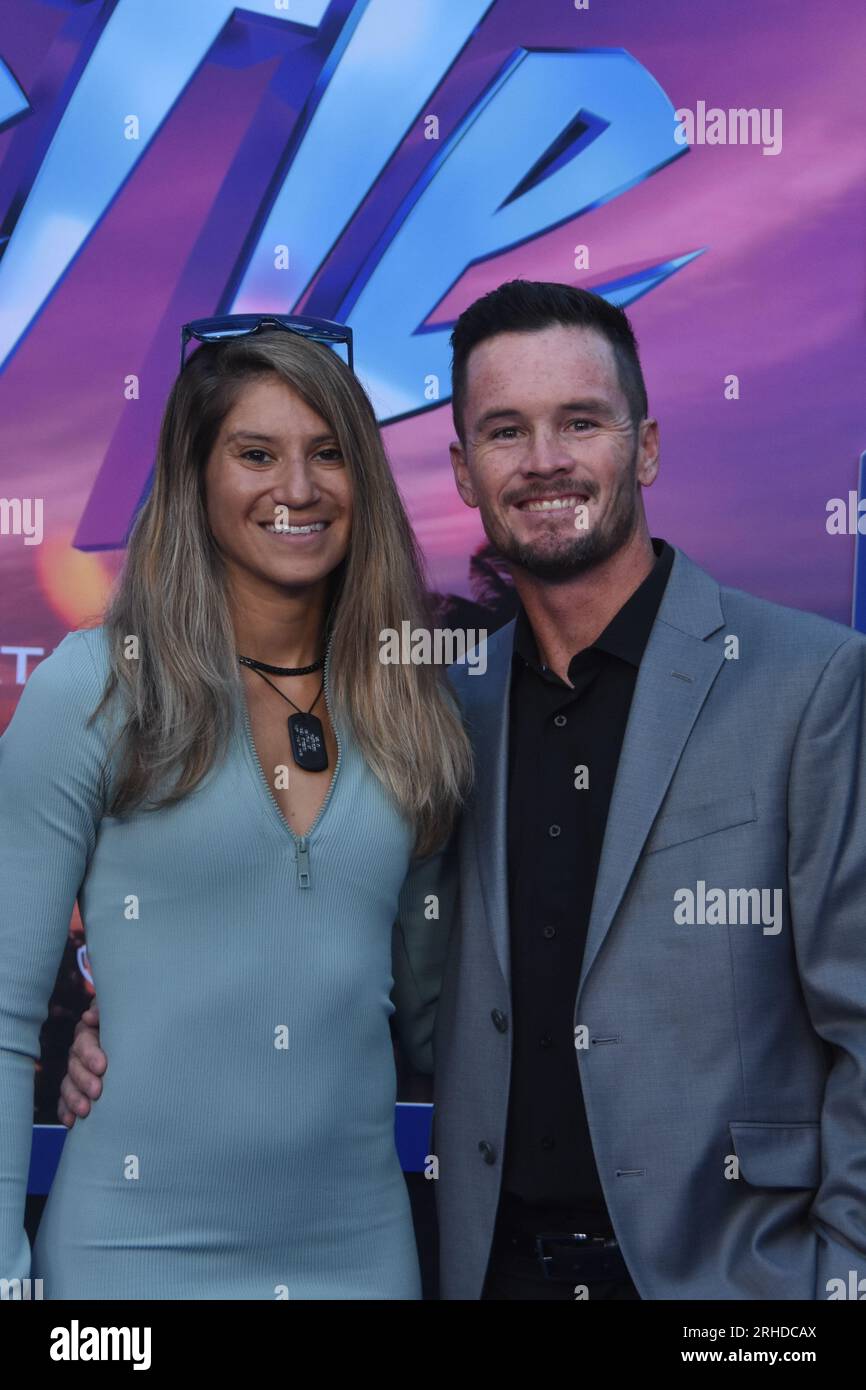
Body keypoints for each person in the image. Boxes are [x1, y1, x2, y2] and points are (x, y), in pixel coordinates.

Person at [62, 281, 866, 1302]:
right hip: (484, 1272)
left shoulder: (805, 683)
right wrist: (131, 1019)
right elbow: (348, 959)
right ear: (463, 473)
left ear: (647, 447)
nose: (542, 461)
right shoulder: (436, 709)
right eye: (503, 430)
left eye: (579, 421)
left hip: (724, 1287)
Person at [0, 316, 470, 1299]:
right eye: (255, 453)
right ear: (195, 474)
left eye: (327, 455)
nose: (296, 490)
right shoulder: (94, 687)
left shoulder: (407, 700)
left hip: (362, 1260)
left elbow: (443, 1001)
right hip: (126, 1264)